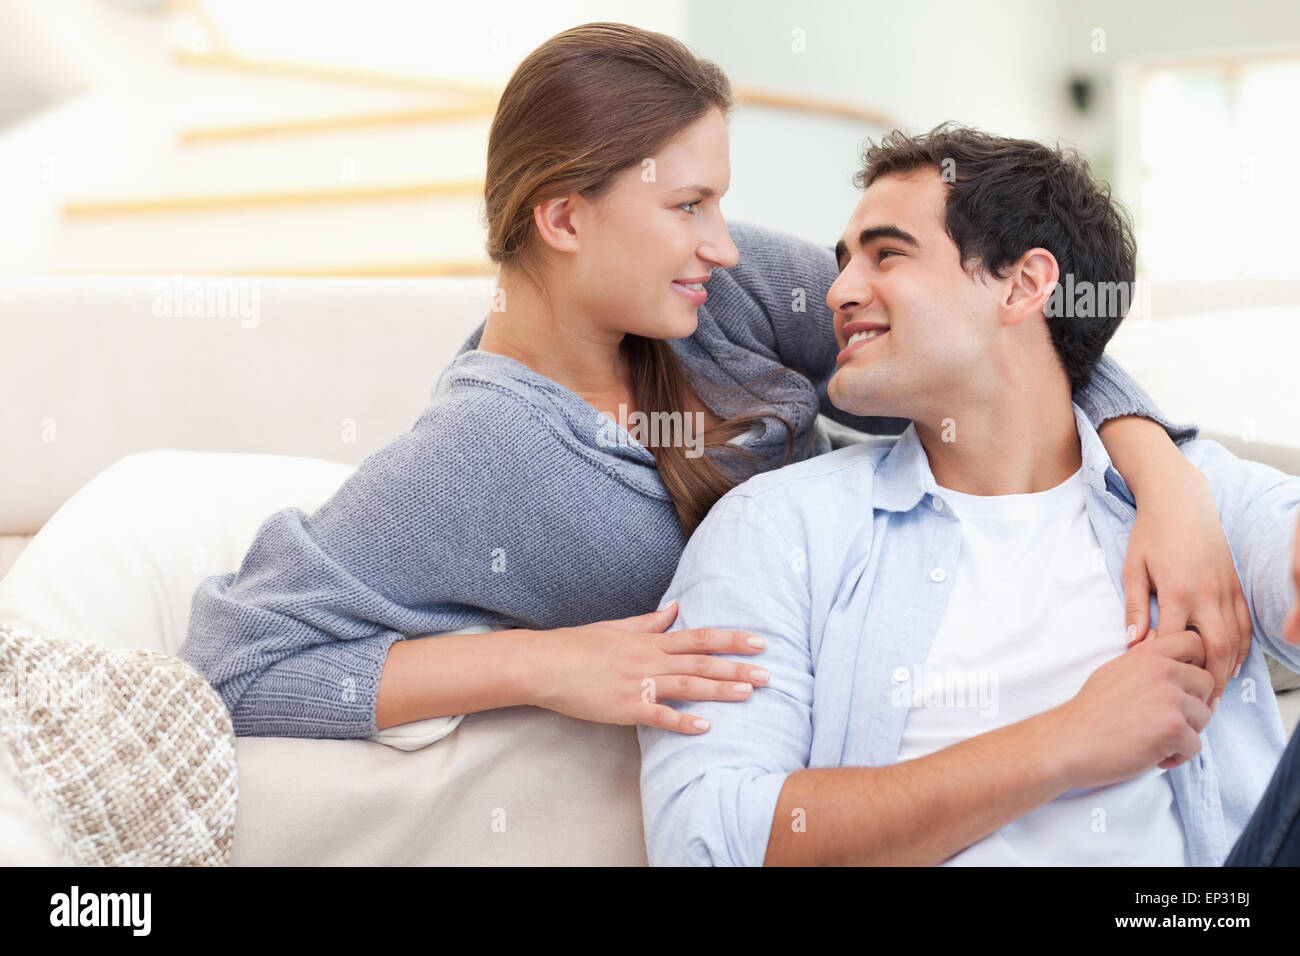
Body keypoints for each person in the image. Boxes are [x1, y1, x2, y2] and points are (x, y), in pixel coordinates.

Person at [179, 23, 1246, 745]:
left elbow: (1008, 340)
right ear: (563, 218)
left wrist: (1165, 479)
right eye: (689, 205)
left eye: (720, 204)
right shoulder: (478, 457)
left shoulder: (707, 303)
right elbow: (234, 664)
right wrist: (540, 662)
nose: (724, 245)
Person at [635, 123, 1300, 867]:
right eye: (844, 262)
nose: (839, 291)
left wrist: (1173, 483)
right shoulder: (777, 528)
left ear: (1023, 285)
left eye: (887, 254)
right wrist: (1067, 740)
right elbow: (707, 838)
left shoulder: (1196, 497)